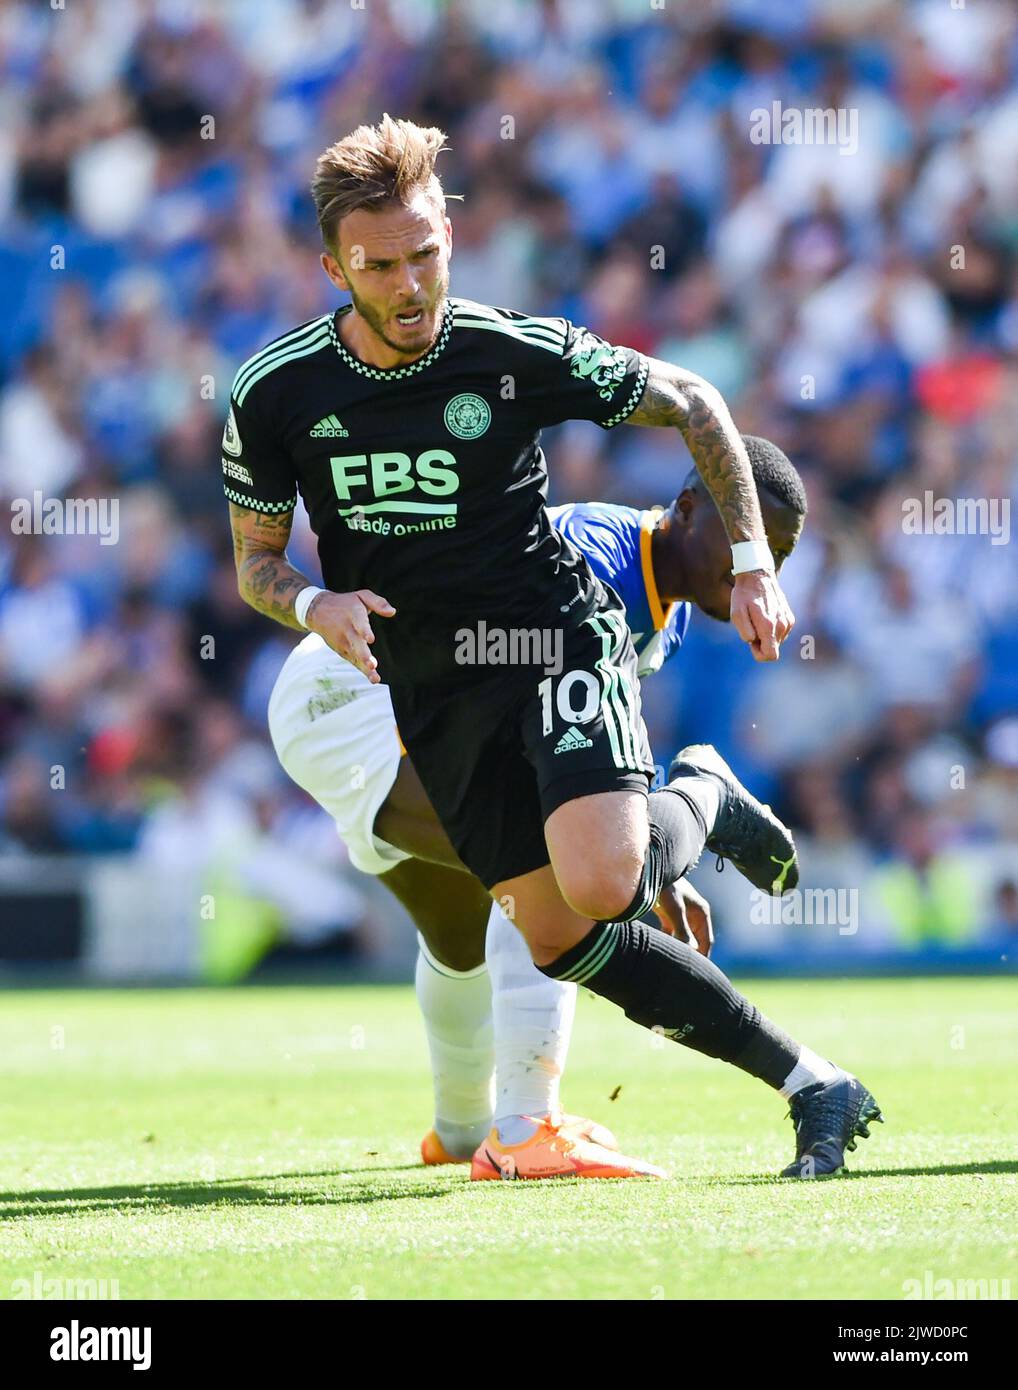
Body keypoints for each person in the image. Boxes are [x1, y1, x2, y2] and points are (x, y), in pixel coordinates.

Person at [226, 116, 882, 1180]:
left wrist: (756, 554)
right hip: (418, 688)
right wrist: (311, 603)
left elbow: (692, 400)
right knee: (556, 934)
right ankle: (811, 1077)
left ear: (450, 237)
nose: (408, 286)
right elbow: (255, 564)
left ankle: (689, 820)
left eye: (425, 254)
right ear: (332, 265)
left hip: (544, 641)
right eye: (379, 265)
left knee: (596, 885)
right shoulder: (274, 393)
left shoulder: (506, 350)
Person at [268, 436, 805, 1179]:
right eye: (745, 538)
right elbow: (476, 667)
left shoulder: (666, 612)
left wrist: (649, 858)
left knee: (457, 941)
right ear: (686, 507)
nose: (758, 567)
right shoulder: (595, 559)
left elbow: (593, 752)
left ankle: (460, 1131)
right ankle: (525, 1125)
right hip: (363, 694)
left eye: (775, 554)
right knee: (543, 867)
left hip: (366, 701)